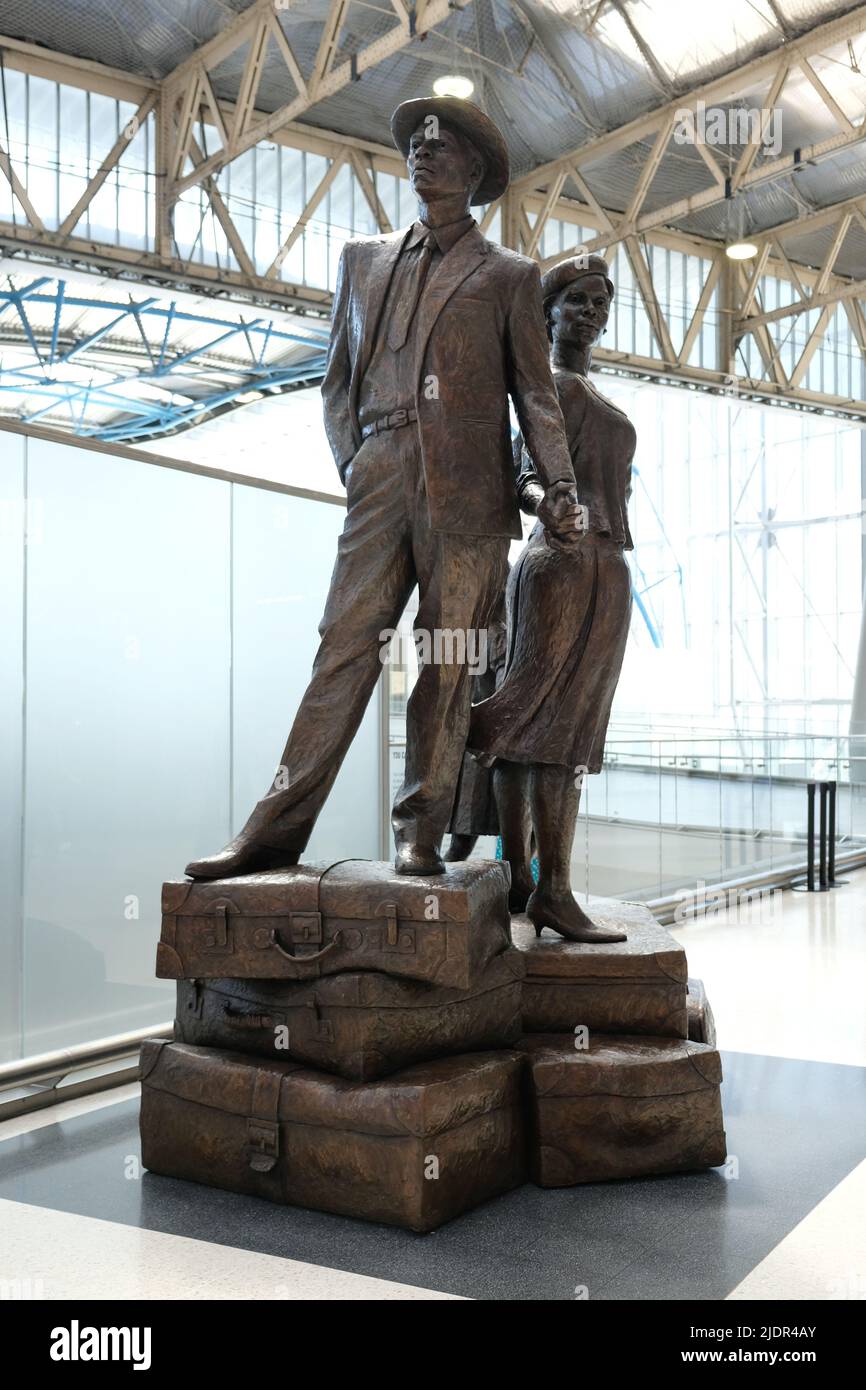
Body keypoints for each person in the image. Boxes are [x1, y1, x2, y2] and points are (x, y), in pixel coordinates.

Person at [185, 97, 579, 881]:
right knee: (343, 649)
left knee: (445, 659)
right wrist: (361, 464)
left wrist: (560, 485)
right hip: (380, 473)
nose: (423, 151)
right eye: (417, 141)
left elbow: (535, 394)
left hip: (467, 494)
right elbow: (335, 382)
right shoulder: (360, 260)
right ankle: (273, 827)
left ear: (475, 171)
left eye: (443, 143)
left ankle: (421, 829)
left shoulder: (508, 277)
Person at [468, 254, 634, 942]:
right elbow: (521, 479)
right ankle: (548, 888)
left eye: (602, 302)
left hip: (608, 567)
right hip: (563, 565)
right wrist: (550, 510)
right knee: (548, 730)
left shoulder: (585, 396)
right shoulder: (551, 391)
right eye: (579, 300)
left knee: (544, 726)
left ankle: (523, 877)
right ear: (550, 313)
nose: (592, 312)